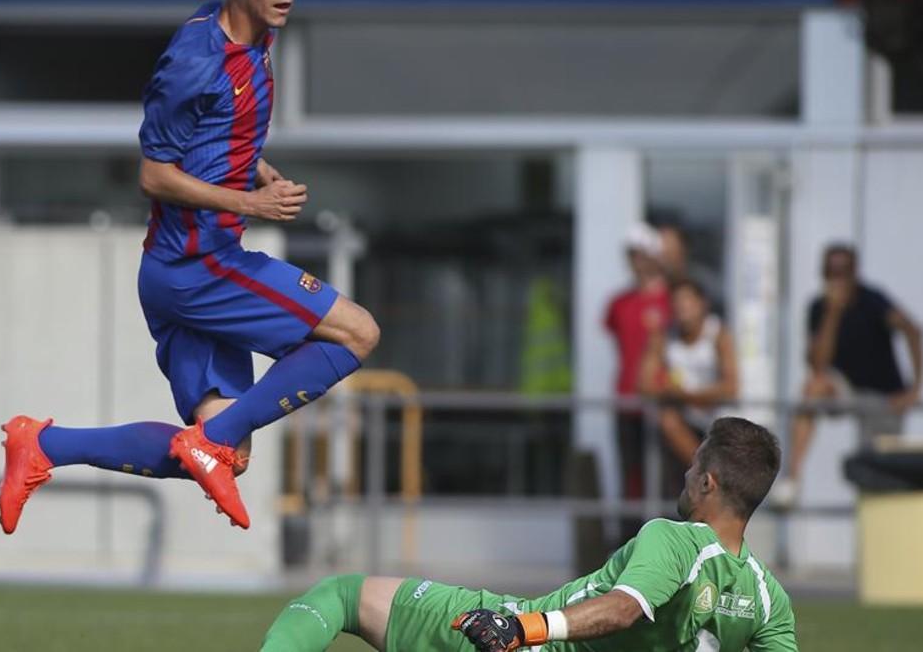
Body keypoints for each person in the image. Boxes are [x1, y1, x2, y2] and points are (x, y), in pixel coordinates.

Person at [0, 0, 379, 533]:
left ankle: (43, 444)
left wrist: (258, 171)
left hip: (178, 271)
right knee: (357, 333)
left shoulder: (252, 35)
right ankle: (212, 441)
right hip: (201, 268)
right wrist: (252, 205)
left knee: (230, 449)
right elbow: (154, 175)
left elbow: (216, 135)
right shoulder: (193, 62)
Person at [260, 417, 797, 651]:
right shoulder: (769, 598)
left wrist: (522, 628)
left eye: (694, 464)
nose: (685, 472)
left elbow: (623, 609)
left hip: (527, 639)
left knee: (342, 595)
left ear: (707, 482)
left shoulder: (675, 539)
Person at [772, 244, 923, 507]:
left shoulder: (873, 301)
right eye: (830, 272)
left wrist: (915, 389)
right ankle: (792, 479)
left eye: (842, 272)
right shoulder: (819, 308)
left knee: (879, 473)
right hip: (844, 389)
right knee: (812, 388)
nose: (836, 279)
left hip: (882, 395)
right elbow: (818, 365)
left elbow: (912, 331)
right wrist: (833, 314)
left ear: (855, 273)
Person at [641, 280, 739, 485]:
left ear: (703, 304)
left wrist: (687, 395)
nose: (682, 308)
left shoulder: (719, 335)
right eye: (676, 303)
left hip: (719, 416)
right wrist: (671, 392)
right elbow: (644, 385)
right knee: (667, 419)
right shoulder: (665, 337)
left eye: (687, 301)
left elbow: (731, 388)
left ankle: (709, 478)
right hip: (686, 420)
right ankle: (705, 474)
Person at [604, 223, 671, 516]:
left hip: (664, 401)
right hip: (627, 400)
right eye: (632, 255)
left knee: (668, 476)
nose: (637, 262)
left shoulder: (673, 300)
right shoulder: (619, 303)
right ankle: (630, 538)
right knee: (631, 478)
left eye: (641, 254)